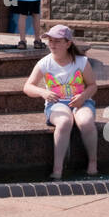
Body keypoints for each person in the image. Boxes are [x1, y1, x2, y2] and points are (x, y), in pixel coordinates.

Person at [22, 25, 98, 180]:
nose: (52, 44)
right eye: (50, 41)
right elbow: (27, 87)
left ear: (68, 43)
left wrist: (83, 97)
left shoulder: (82, 62)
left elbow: (92, 86)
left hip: (80, 102)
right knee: (64, 122)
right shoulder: (45, 63)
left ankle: (93, 162)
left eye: (57, 41)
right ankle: (57, 169)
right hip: (56, 104)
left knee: (86, 122)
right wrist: (43, 92)